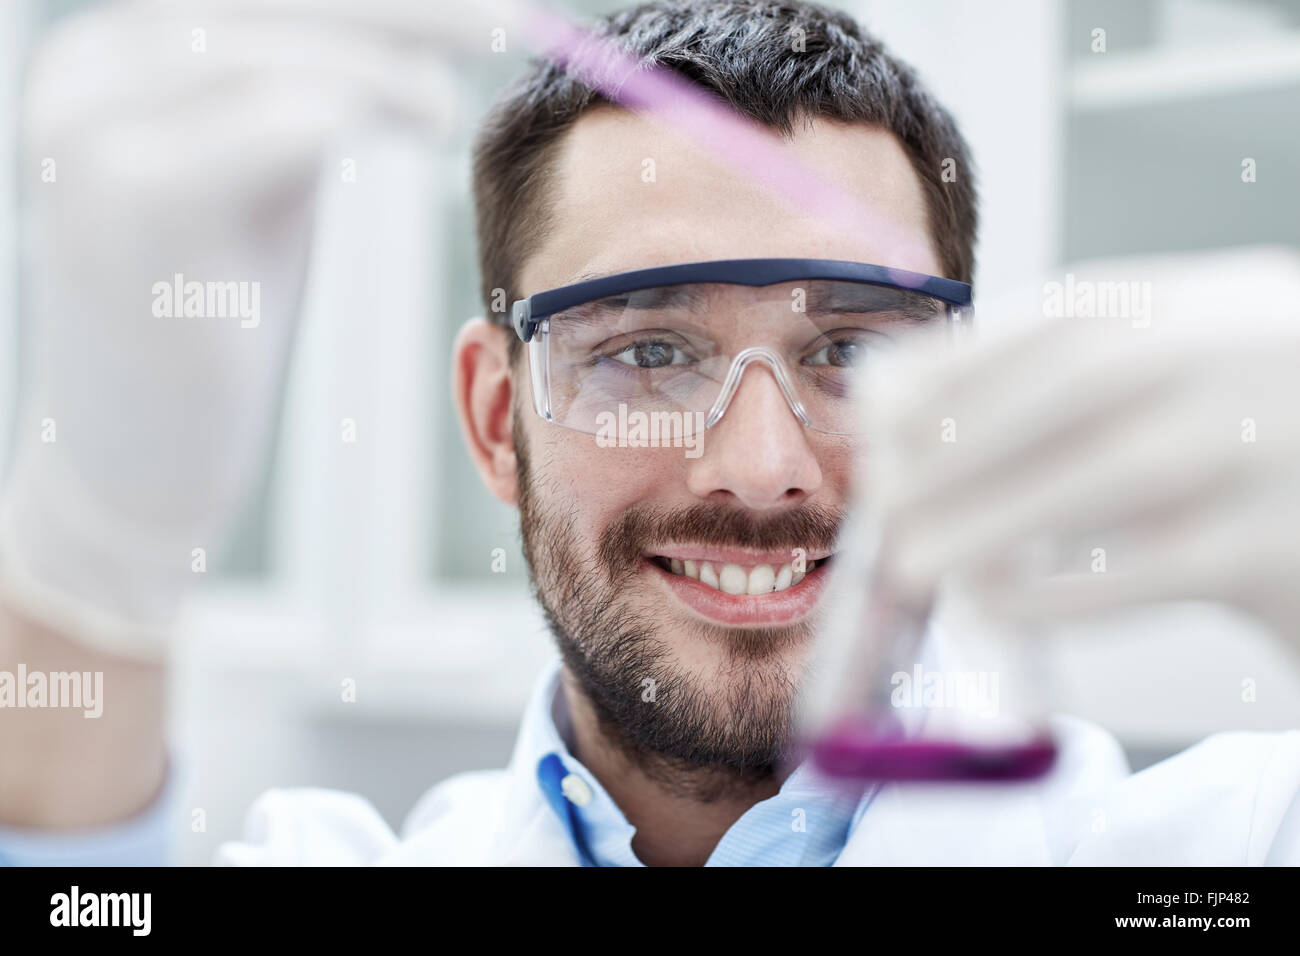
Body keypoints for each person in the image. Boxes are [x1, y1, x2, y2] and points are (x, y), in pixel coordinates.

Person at [2, 0, 1299, 867]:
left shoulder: (1202, 860)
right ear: (497, 419)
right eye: (649, 352)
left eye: (847, 350)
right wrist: (97, 554)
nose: (758, 468)